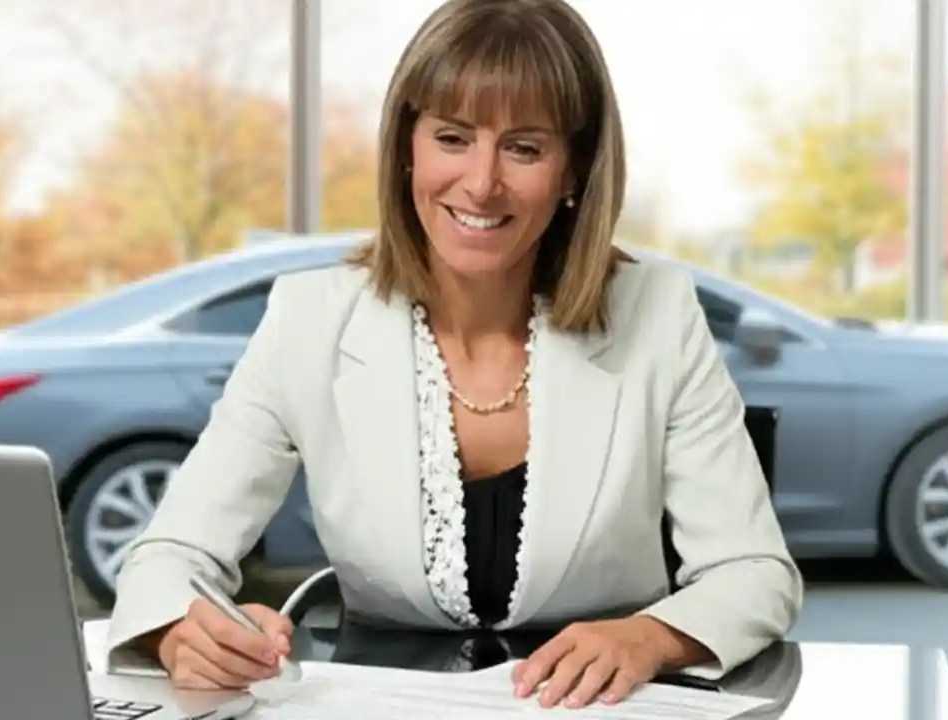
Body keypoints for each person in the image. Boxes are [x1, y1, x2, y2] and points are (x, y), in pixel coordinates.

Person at [106, 0, 802, 709]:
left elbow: (754, 574)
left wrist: (648, 638)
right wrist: (181, 634)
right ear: (408, 145)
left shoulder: (658, 315)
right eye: (453, 137)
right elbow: (170, 555)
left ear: (574, 172)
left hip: (602, 709)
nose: (480, 182)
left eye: (524, 148)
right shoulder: (308, 318)